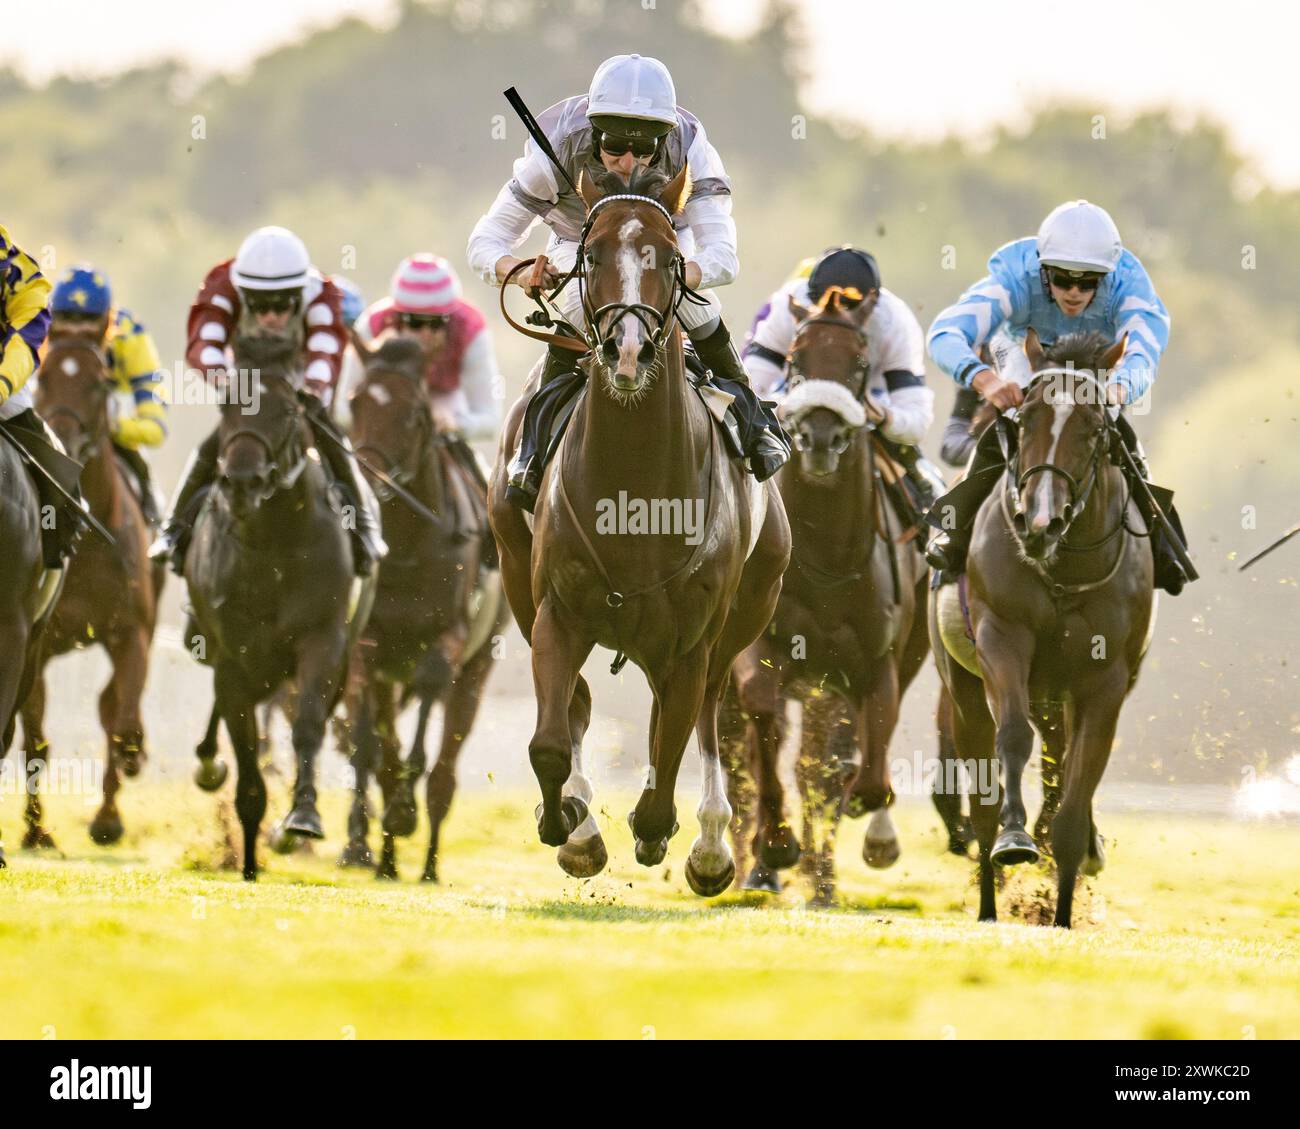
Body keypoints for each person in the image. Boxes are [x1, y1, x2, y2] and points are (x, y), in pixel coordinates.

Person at [466, 52, 789, 508]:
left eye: (644, 149)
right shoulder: (556, 145)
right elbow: (485, 240)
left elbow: (723, 256)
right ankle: (532, 452)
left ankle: (756, 426)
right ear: (595, 131)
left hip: (662, 245)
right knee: (578, 305)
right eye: (615, 146)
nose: (628, 162)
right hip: (582, 244)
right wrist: (519, 272)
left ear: (665, 139)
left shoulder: (692, 147)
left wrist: (677, 274)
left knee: (699, 307)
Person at [924, 200, 1188, 594]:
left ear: (1107, 276)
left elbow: (1144, 354)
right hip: (1023, 350)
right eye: (1063, 279)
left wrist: (1118, 388)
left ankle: (1163, 546)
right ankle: (954, 531)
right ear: (1043, 268)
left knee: (1118, 433)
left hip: (1092, 362)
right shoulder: (1014, 275)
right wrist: (985, 381)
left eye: (1088, 282)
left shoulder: (1130, 284)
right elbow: (944, 333)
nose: (1075, 292)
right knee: (1016, 422)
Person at [149, 225, 387, 576]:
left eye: (281, 304)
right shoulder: (221, 287)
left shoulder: (321, 294)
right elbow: (203, 345)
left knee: (331, 439)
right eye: (259, 305)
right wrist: (229, 382)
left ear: (298, 294)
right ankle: (173, 529)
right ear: (244, 293)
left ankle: (364, 529)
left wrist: (312, 388)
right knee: (217, 441)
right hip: (245, 380)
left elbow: (327, 349)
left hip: (297, 383)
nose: (270, 315)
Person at [743, 245, 943, 513]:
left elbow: (917, 422)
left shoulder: (896, 322)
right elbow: (748, 392)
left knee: (931, 486)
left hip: (870, 396)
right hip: (792, 393)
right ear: (810, 300)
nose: (835, 313)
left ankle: (936, 537)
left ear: (870, 307)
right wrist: (780, 407)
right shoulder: (787, 303)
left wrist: (885, 417)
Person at [47, 264, 168, 524]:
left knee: (143, 475)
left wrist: (113, 426)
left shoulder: (131, 336)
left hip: (109, 417)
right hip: (53, 419)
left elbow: (155, 428)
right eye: (67, 317)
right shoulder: (39, 329)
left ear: (106, 320)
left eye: (89, 319)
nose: (77, 329)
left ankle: (159, 535)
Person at [0, 223, 86, 569]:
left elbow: (23, 346)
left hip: (5, 377)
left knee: (56, 464)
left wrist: (1, 385)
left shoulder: (27, 277)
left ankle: (57, 537)